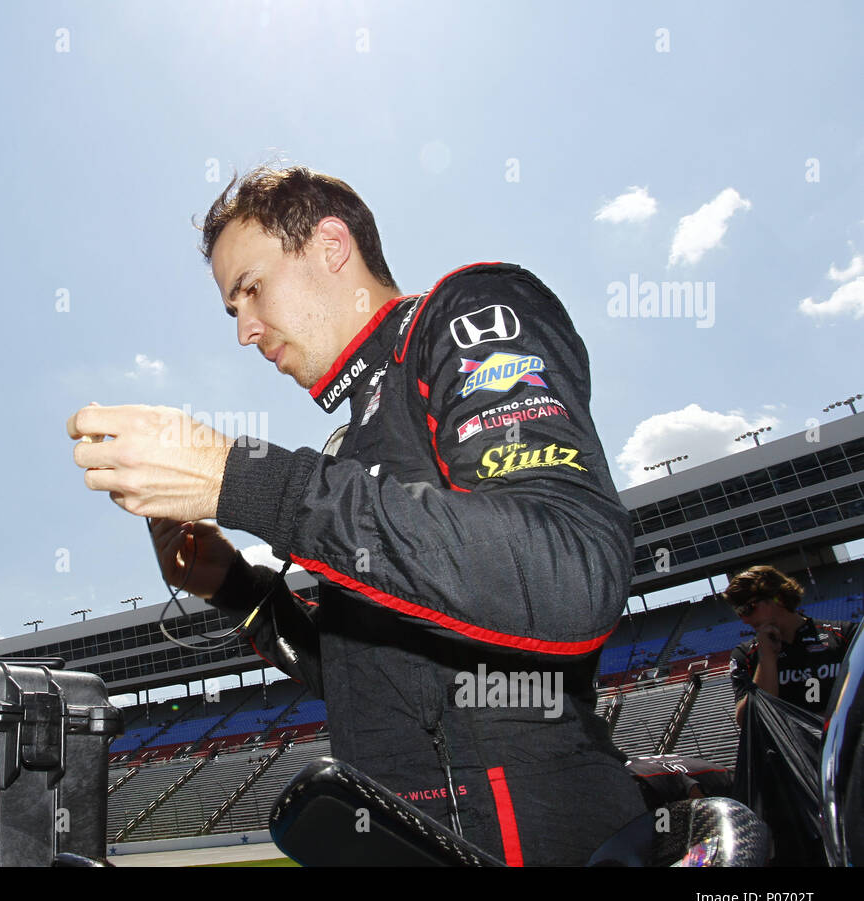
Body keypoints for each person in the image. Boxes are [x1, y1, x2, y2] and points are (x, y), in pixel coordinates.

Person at [67, 164, 646, 865]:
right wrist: (236, 589)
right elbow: (365, 682)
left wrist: (243, 480)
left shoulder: (469, 313)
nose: (245, 331)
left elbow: (569, 574)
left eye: (252, 289)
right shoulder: (352, 443)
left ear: (331, 246)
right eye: (232, 309)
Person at [724, 565, 855, 724]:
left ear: (777, 598)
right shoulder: (745, 654)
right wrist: (766, 659)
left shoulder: (844, 635)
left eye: (748, 608)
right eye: (739, 612)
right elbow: (749, 720)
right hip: (789, 748)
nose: (744, 619)